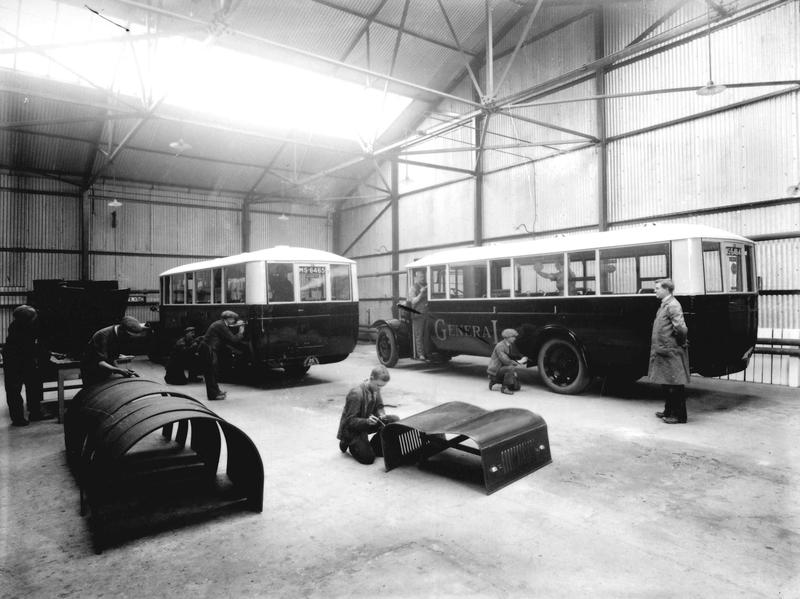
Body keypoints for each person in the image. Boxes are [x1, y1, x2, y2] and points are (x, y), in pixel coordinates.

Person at [337, 365, 399, 465]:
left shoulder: (375, 388)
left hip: (367, 423)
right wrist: (367, 421)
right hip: (352, 430)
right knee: (368, 459)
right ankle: (346, 443)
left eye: (382, 386)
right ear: (371, 379)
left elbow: (379, 406)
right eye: (378, 386)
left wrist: (382, 414)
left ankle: (375, 447)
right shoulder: (356, 394)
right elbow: (349, 421)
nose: (380, 389)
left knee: (393, 420)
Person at [649, 278, 690, 424]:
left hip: (670, 350)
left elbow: (681, 328)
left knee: (675, 384)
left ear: (667, 289)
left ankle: (679, 416)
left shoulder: (673, 305)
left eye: (658, 288)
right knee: (667, 382)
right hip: (664, 350)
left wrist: (680, 342)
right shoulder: (665, 304)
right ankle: (668, 411)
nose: (655, 290)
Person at [3, 305, 50, 426]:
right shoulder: (20, 330)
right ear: (27, 320)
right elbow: (27, 347)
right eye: (34, 318)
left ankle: (35, 413)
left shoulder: (22, 324)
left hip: (23, 357)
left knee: (33, 385)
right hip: (14, 358)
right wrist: (44, 353)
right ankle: (18, 418)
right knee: (14, 389)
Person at [80, 316, 147, 387]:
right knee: (92, 393)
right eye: (128, 336)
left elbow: (113, 357)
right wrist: (119, 370)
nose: (129, 339)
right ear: (121, 330)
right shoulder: (103, 336)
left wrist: (122, 371)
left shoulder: (120, 335)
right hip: (91, 370)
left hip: (105, 370)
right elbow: (100, 363)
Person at [197, 310, 249, 401]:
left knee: (214, 371)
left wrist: (237, 325)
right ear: (229, 319)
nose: (234, 321)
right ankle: (213, 395)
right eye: (234, 319)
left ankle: (216, 391)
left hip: (208, 348)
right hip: (209, 349)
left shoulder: (220, 323)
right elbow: (233, 339)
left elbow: (229, 330)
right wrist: (241, 331)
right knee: (211, 372)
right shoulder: (221, 326)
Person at [487, 328, 528, 395]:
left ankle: (495, 381)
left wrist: (520, 359)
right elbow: (505, 360)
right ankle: (504, 388)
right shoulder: (500, 346)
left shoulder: (508, 345)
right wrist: (519, 362)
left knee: (517, 387)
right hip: (495, 371)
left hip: (500, 369)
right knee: (511, 368)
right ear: (507, 337)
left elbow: (511, 356)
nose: (515, 338)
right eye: (513, 337)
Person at [407, 270, 429, 359]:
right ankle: (420, 354)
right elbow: (413, 301)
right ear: (415, 278)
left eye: (423, 277)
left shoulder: (425, 286)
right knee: (419, 334)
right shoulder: (413, 288)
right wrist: (421, 293)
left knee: (426, 334)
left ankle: (426, 352)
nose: (422, 278)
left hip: (426, 313)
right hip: (418, 315)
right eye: (420, 277)